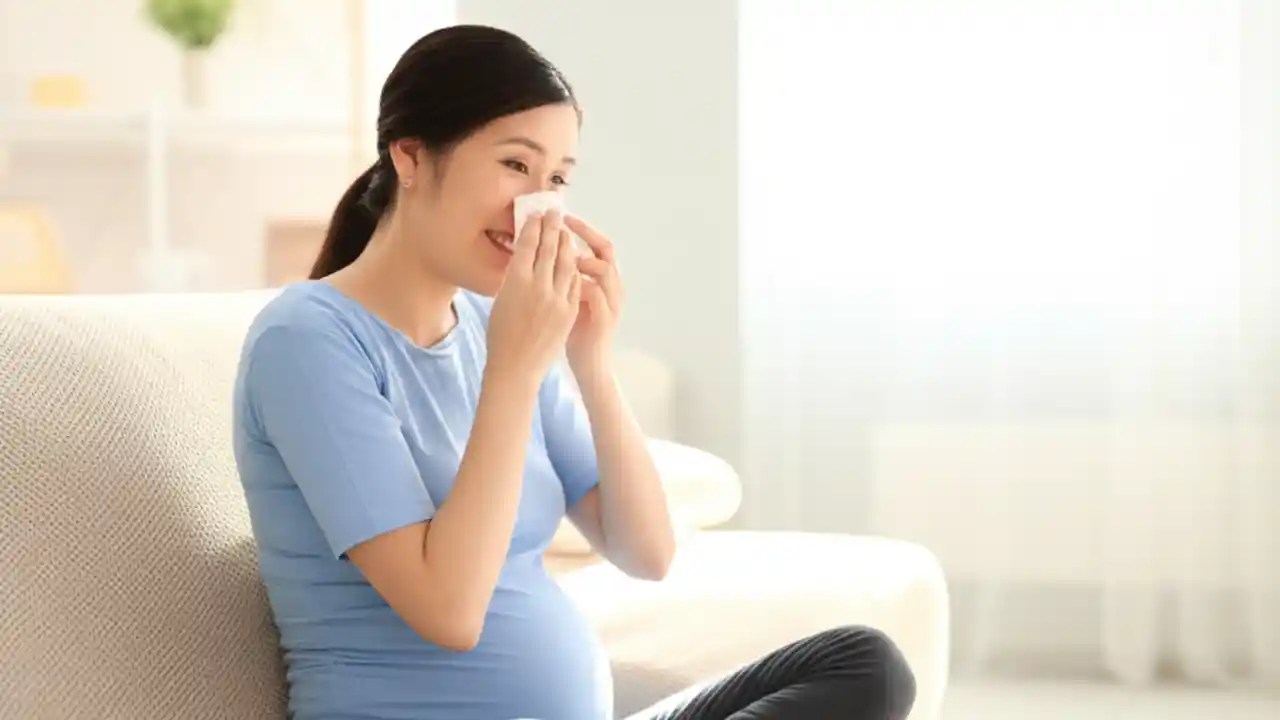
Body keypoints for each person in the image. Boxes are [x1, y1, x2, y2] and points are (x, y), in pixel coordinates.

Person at [232, 24, 916, 720]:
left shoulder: (486, 330)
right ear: (409, 156)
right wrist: (513, 370)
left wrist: (591, 360)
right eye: (515, 165)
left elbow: (647, 550)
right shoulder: (308, 340)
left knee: (865, 664)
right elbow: (449, 611)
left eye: (556, 178)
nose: (535, 204)